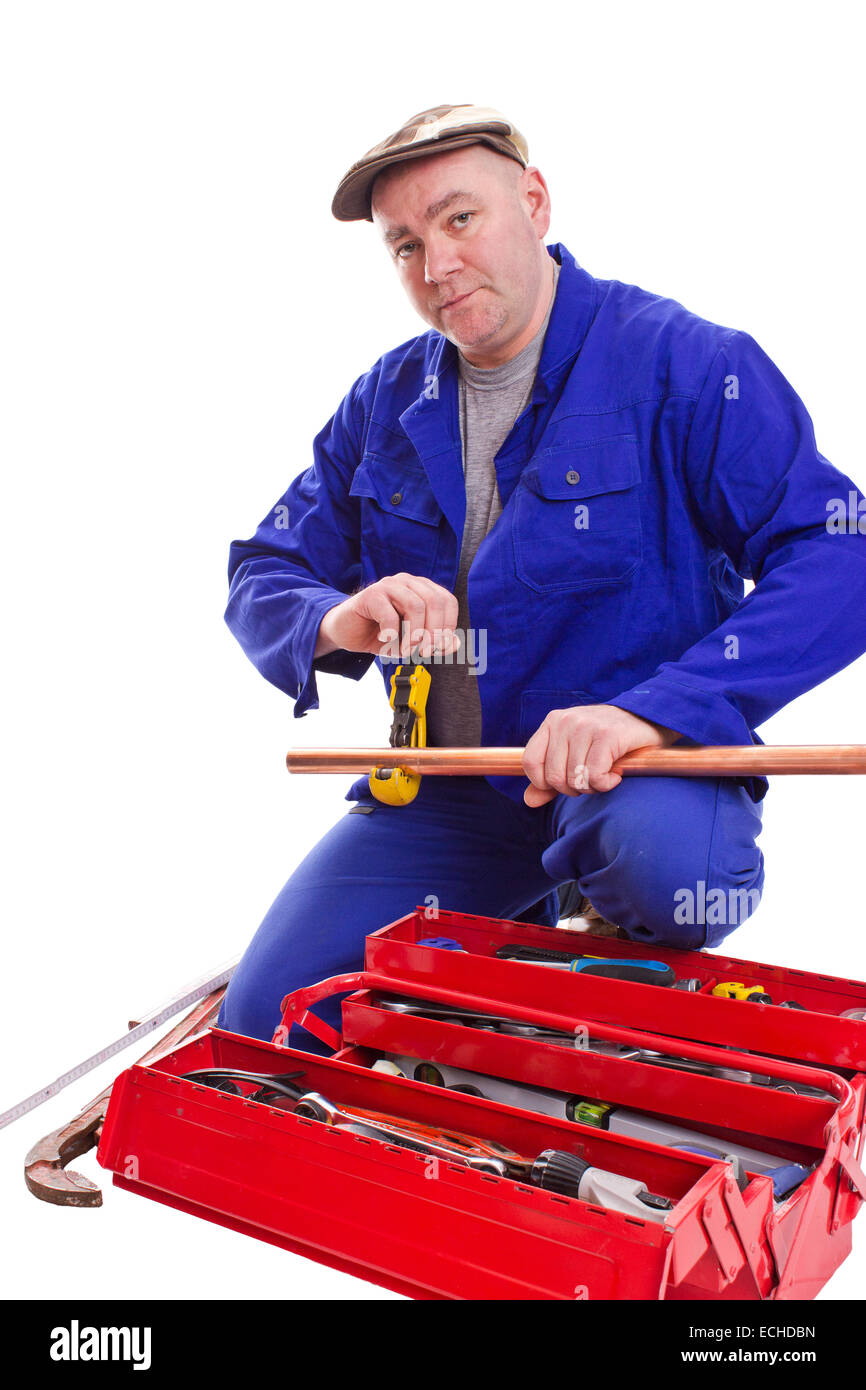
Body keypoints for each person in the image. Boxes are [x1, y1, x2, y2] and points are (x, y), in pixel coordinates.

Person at [219, 104, 866, 1045]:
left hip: (639, 779)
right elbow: (264, 569)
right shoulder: (389, 400)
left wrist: (654, 711)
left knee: (655, 864)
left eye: (459, 219)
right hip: (457, 791)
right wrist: (336, 617)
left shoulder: (688, 365)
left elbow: (841, 552)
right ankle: (499, 937)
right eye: (403, 245)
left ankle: (612, 936)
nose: (436, 267)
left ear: (534, 201)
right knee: (269, 1028)